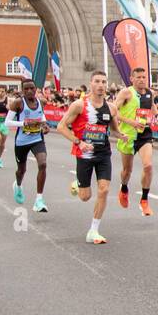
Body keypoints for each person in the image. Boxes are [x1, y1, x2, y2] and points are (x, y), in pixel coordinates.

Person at [56, 71, 126, 244]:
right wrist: (78, 142)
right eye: (97, 81)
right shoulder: (79, 105)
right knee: (85, 196)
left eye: (104, 82)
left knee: (104, 189)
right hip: (84, 154)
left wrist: (121, 135)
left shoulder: (111, 108)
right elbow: (61, 126)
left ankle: (93, 230)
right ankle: (78, 184)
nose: (101, 85)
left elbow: (114, 129)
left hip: (103, 154)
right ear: (91, 83)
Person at [113, 67, 156, 218]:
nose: (142, 80)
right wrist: (130, 122)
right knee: (127, 171)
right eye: (138, 77)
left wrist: (156, 116)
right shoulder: (126, 93)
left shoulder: (150, 93)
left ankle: (144, 199)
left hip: (145, 135)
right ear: (132, 79)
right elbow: (113, 111)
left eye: (144, 77)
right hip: (128, 136)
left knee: (148, 165)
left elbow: (151, 107)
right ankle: (124, 188)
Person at [7, 78, 50, 213]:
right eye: (26, 89)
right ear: (22, 90)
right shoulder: (18, 103)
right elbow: (7, 122)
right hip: (21, 141)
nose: (30, 91)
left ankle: (39, 200)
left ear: (36, 89)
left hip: (37, 139)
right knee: (21, 170)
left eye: (32, 88)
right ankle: (18, 185)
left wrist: (45, 125)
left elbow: (41, 116)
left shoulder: (41, 102)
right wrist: (23, 124)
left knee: (42, 164)